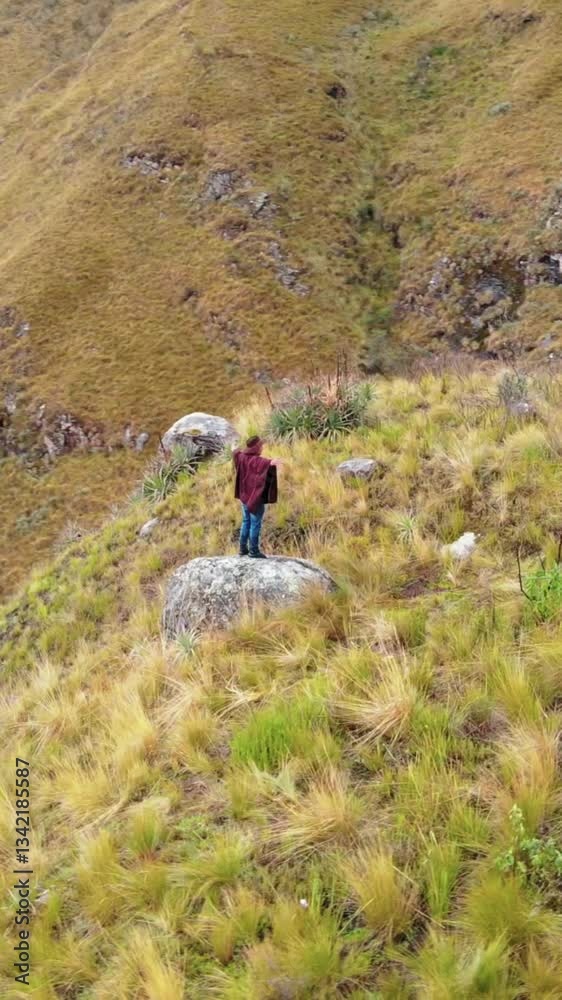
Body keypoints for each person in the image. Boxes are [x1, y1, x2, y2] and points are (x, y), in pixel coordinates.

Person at [233, 435, 280, 558]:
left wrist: (237, 448)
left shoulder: (241, 457)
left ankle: (243, 549)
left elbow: (235, 453)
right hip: (255, 499)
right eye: (261, 446)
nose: (262, 448)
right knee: (255, 523)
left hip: (244, 497)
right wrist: (272, 462)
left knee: (245, 521)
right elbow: (264, 463)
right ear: (256, 447)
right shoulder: (256, 461)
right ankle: (253, 551)